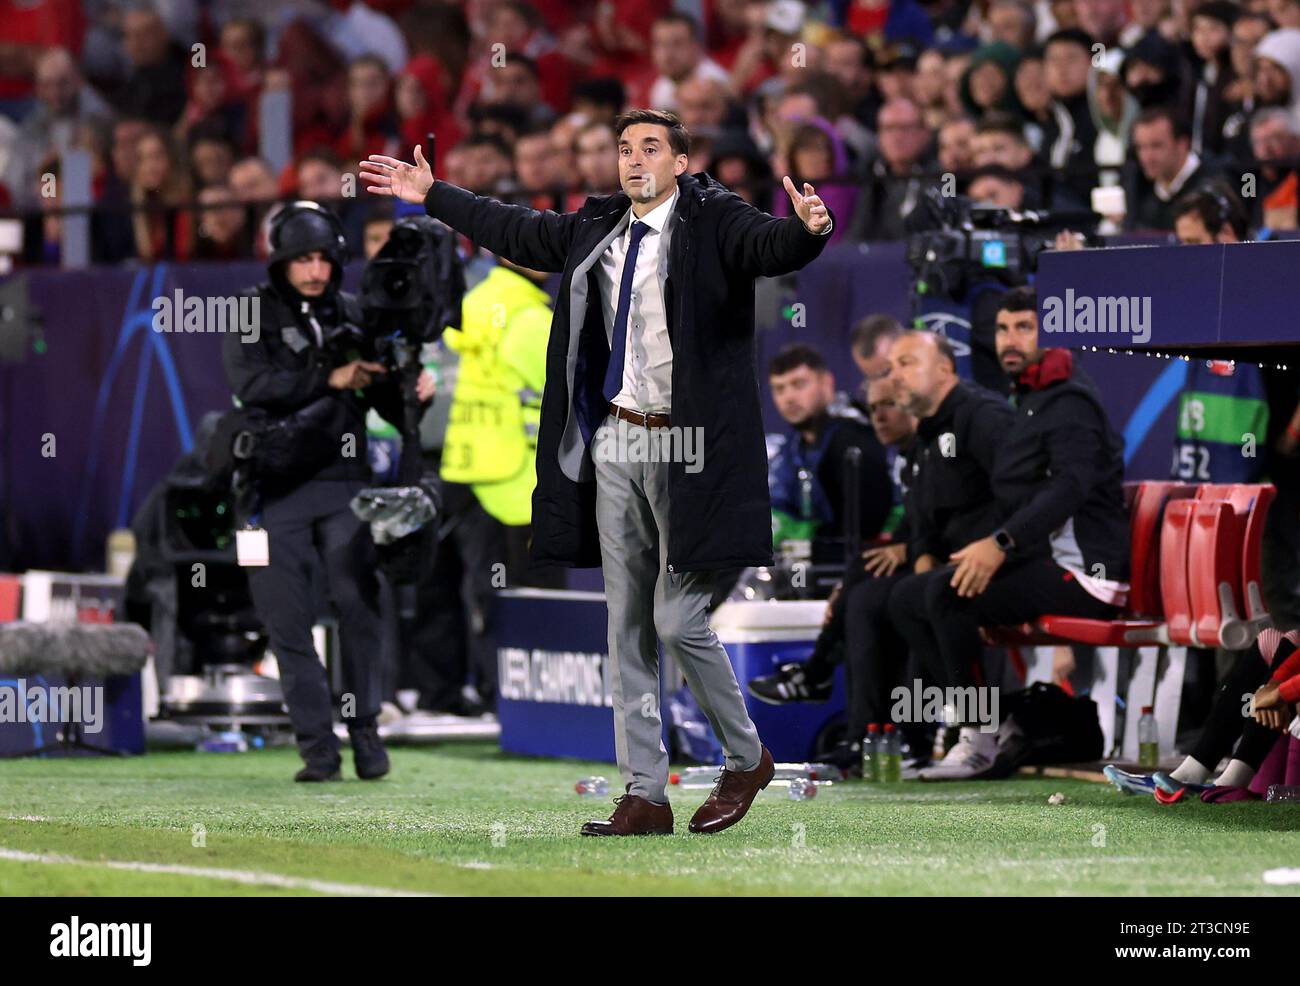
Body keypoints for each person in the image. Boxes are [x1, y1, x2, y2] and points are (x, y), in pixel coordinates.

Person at [360, 108, 834, 836]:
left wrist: (807, 228)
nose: (634, 158)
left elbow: (768, 246)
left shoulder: (716, 218)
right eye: (623, 148)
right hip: (617, 441)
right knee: (626, 630)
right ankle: (644, 792)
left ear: (681, 162)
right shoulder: (600, 224)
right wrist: (435, 194)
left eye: (651, 147)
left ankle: (746, 758)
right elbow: (518, 229)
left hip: (691, 449)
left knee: (678, 621)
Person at [221, 201, 429, 782]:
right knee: (287, 623)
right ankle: (318, 750)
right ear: (280, 262)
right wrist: (328, 376)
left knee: (362, 608)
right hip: (270, 489)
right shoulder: (248, 312)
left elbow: (385, 398)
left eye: (322, 259)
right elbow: (252, 384)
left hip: (343, 484)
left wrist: (414, 390)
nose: (314, 270)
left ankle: (366, 733)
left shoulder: (356, 312)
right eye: (302, 260)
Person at [892, 288, 1130, 780]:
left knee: (946, 593)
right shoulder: (1030, 397)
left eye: (1025, 327)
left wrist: (1000, 544)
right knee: (907, 597)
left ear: (1054, 333)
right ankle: (996, 722)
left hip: (1087, 574)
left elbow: (1070, 487)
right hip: (1045, 561)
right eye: (1003, 328)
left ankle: (979, 737)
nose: (1011, 339)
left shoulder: (1070, 402)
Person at [766, 344, 894, 551]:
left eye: (798, 384)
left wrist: (803, 543)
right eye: (779, 389)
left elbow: (865, 529)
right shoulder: (792, 448)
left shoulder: (854, 439)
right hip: (811, 562)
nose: (788, 398)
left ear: (826, 383)